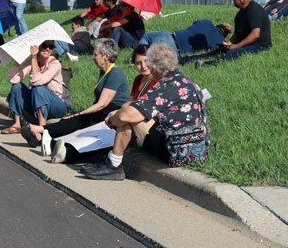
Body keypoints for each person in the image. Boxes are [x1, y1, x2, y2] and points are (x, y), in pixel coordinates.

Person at [80, 42, 210, 180]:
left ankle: (113, 164)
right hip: (199, 149)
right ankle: (113, 161)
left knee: (129, 119)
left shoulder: (166, 86)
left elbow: (125, 116)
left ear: (154, 66)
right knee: (133, 113)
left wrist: (113, 119)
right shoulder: (184, 80)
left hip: (178, 153)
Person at [25, 43, 145, 163]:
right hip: (108, 111)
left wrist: (80, 114)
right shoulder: (106, 72)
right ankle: (41, 138)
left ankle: (43, 133)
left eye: (95, 54)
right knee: (73, 120)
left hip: (111, 112)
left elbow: (102, 104)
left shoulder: (115, 73)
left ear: (106, 56)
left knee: (80, 119)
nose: (92, 57)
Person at [2, 40, 70, 134]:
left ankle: (41, 128)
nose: (47, 49)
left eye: (51, 46)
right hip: (38, 102)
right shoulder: (32, 61)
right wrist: (18, 60)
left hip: (58, 105)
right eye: (44, 45)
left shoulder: (55, 64)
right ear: (38, 46)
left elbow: (38, 82)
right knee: (17, 87)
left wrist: (34, 58)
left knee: (38, 87)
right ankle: (17, 124)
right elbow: (14, 80)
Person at [197, 0, 271, 66]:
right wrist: (229, 43)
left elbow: (255, 35)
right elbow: (237, 34)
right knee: (219, 50)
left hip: (259, 45)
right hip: (247, 43)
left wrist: (236, 46)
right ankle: (187, 59)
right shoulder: (240, 14)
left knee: (234, 52)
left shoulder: (255, 10)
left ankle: (208, 65)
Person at [140, 19, 230, 55]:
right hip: (175, 51)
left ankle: (139, 52)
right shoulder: (218, 43)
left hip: (169, 36)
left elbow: (192, 24)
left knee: (146, 36)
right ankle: (143, 56)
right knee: (153, 57)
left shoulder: (207, 23)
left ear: (218, 26)